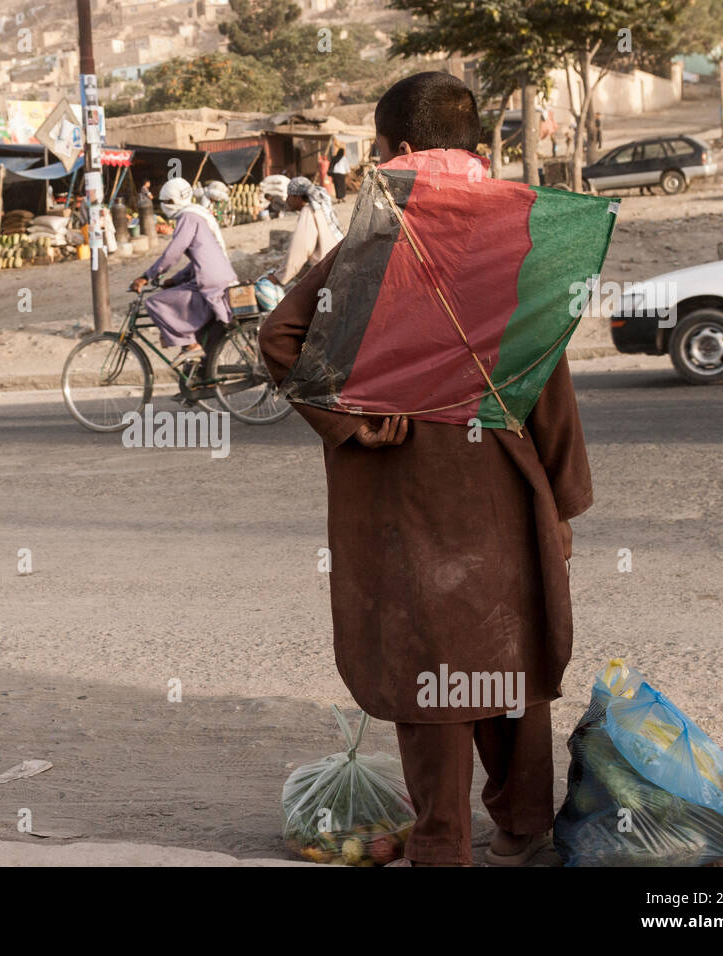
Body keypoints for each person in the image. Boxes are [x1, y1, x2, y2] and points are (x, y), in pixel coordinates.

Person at [258, 70, 592, 868]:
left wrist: (352, 421)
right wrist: (563, 505)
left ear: (401, 149)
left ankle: (442, 846)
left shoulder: (375, 242)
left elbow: (279, 340)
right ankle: (521, 826)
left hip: (406, 485)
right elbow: (548, 382)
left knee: (430, 663)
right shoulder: (528, 233)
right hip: (508, 486)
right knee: (508, 658)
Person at [129, 177, 238, 366]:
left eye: (165, 202)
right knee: (179, 303)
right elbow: (200, 259)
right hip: (218, 277)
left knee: (155, 302)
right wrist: (175, 279)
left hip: (211, 283)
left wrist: (147, 276)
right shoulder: (198, 215)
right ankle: (193, 384)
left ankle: (190, 346)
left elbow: (173, 253)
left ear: (172, 202)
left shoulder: (188, 218)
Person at [266, 176, 344, 288]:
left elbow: (300, 249)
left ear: (297, 197)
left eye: (289, 196)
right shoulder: (322, 207)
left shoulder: (309, 211)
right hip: (337, 264)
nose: (287, 200)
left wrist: (278, 277)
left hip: (325, 272)